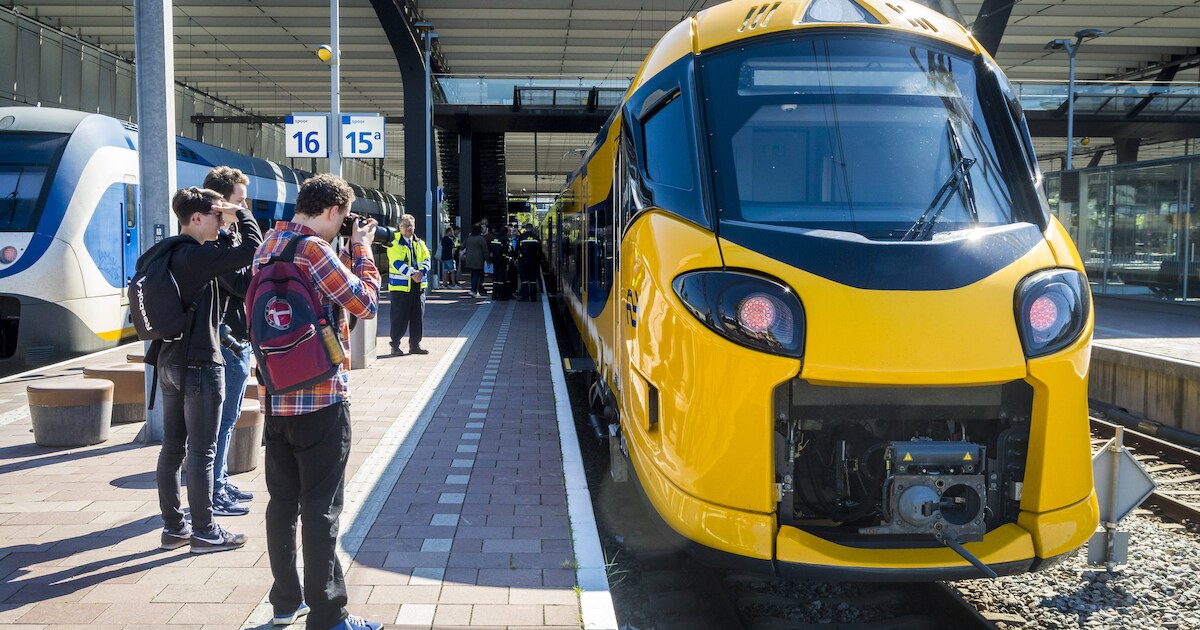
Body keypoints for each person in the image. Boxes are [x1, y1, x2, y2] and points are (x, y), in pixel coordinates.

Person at [252, 174, 383, 630]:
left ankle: (285, 601)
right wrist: (361, 248)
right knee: (321, 507)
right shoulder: (314, 251)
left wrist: (342, 253)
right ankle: (329, 615)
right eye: (343, 219)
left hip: (276, 395)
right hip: (322, 400)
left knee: (282, 504)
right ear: (333, 211)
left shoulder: (269, 245)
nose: (344, 226)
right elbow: (364, 302)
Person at [153, 186, 262, 554]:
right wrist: (241, 215)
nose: (221, 220)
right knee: (202, 452)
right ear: (196, 218)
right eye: (216, 215)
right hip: (199, 364)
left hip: (168, 361)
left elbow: (233, 259)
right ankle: (204, 531)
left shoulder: (170, 253)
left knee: (172, 450)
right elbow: (252, 250)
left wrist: (227, 223)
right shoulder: (197, 257)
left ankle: (173, 529)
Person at [203, 166, 255, 518]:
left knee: (231, 417)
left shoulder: (228, 239)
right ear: (221, 203)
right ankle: (214, 491)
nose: (245, 205)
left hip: (238, 337)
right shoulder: (212, 244)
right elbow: (243, 284)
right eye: (240, 201)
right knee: (221, 422)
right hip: (227, 341)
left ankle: (220, 480)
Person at [386, 213, 431, 356]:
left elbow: (427, 258)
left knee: (418, 317)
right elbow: (396, 262)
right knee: (399, 317)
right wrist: (413, 273)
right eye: (404, 225)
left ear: (414, 226)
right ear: (399, 227)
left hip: (418, 287)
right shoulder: (394, 242)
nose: (407, 228)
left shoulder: (420, 243)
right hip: (400, 287)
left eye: (410, 225)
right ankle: (395, 346)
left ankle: (415, 345)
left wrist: (422, 272)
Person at [462, 222, 490, 299]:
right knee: (477, 275)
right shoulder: (481, 238)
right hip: (478, 259)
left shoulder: (469, 237)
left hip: (469, 259)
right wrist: (488, 259)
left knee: (473, 274)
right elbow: (485, 250)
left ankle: (473, 289)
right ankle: (474, 290)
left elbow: (462, 246)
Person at [517, 223, 543, 301]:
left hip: (524, 261)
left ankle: (525, 296)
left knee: (524, 279)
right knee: (533, 279)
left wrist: (516, 258)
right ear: (531, 229)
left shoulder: (522, 237)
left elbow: (517, 248)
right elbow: (540, 250)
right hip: (534, 261)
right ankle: (533, 297)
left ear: (526, 229)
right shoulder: (536, 237)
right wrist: (539, 260)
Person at [489, 225, 512, 301]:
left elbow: (490, 249)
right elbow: (507, 251)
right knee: (501, 278)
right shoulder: (504, 240)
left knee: (495, 278)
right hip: (502, 261)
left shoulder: (494, 238)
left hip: (495, 261)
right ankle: (501, 295)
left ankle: (494, 295)